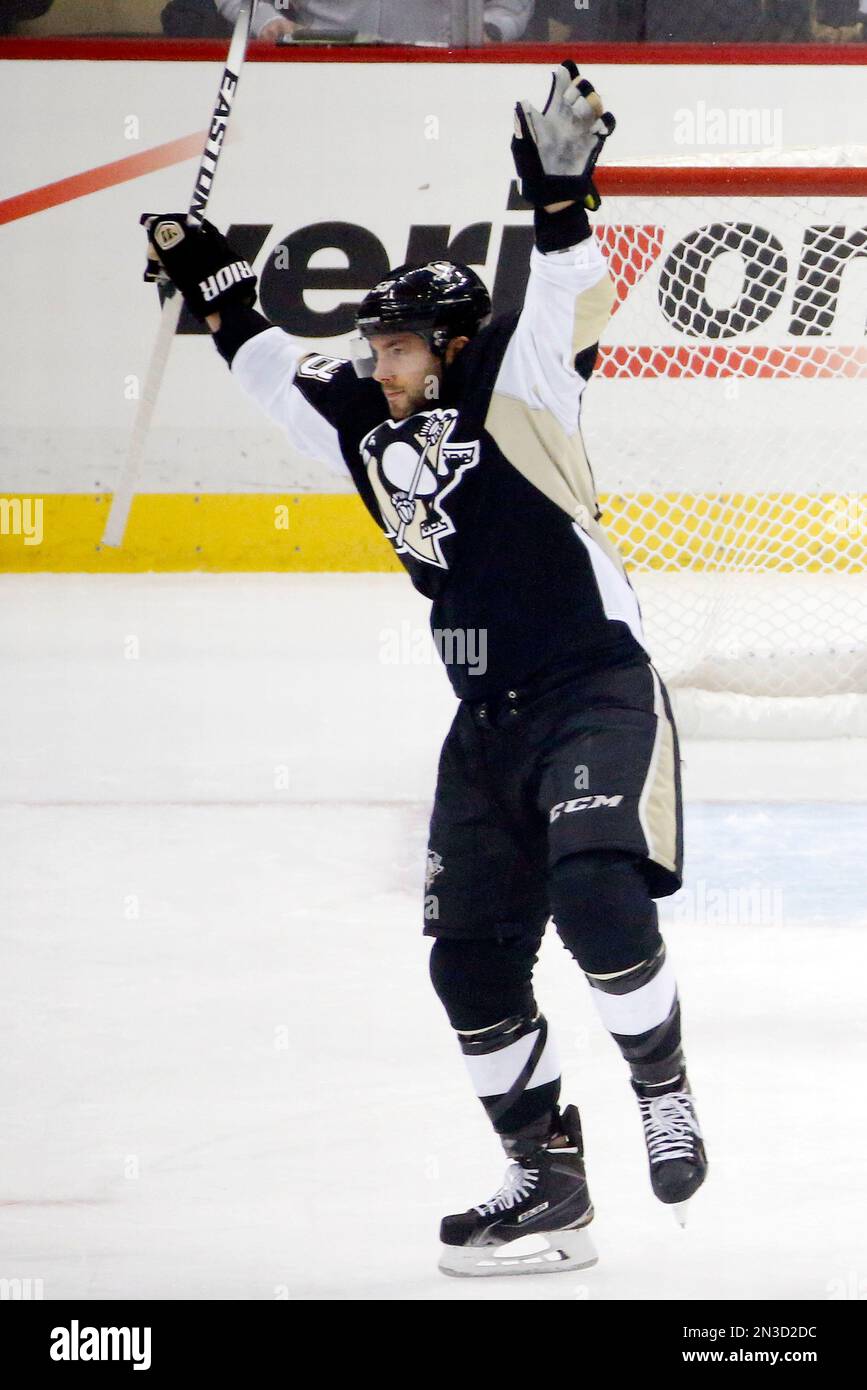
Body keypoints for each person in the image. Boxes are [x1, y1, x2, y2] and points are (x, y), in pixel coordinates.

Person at [141, 60, 707, 1278]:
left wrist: (560, 195)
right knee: (468, 962)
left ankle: (660, 1082)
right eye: (375, 347)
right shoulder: (362, 416)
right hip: (485, 725)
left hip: (594, 688)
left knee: (599, 889)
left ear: (451, 343)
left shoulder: (522, 376)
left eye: (396, 346)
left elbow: (574, 288)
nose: (379, 363)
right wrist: (211, 278)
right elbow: (267, 364)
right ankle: (546, 1179)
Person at [214, 0, 535, 44]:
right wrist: (264, 19)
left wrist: (491, 30)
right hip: (318, 69)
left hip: (439, 70)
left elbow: (510, 6)